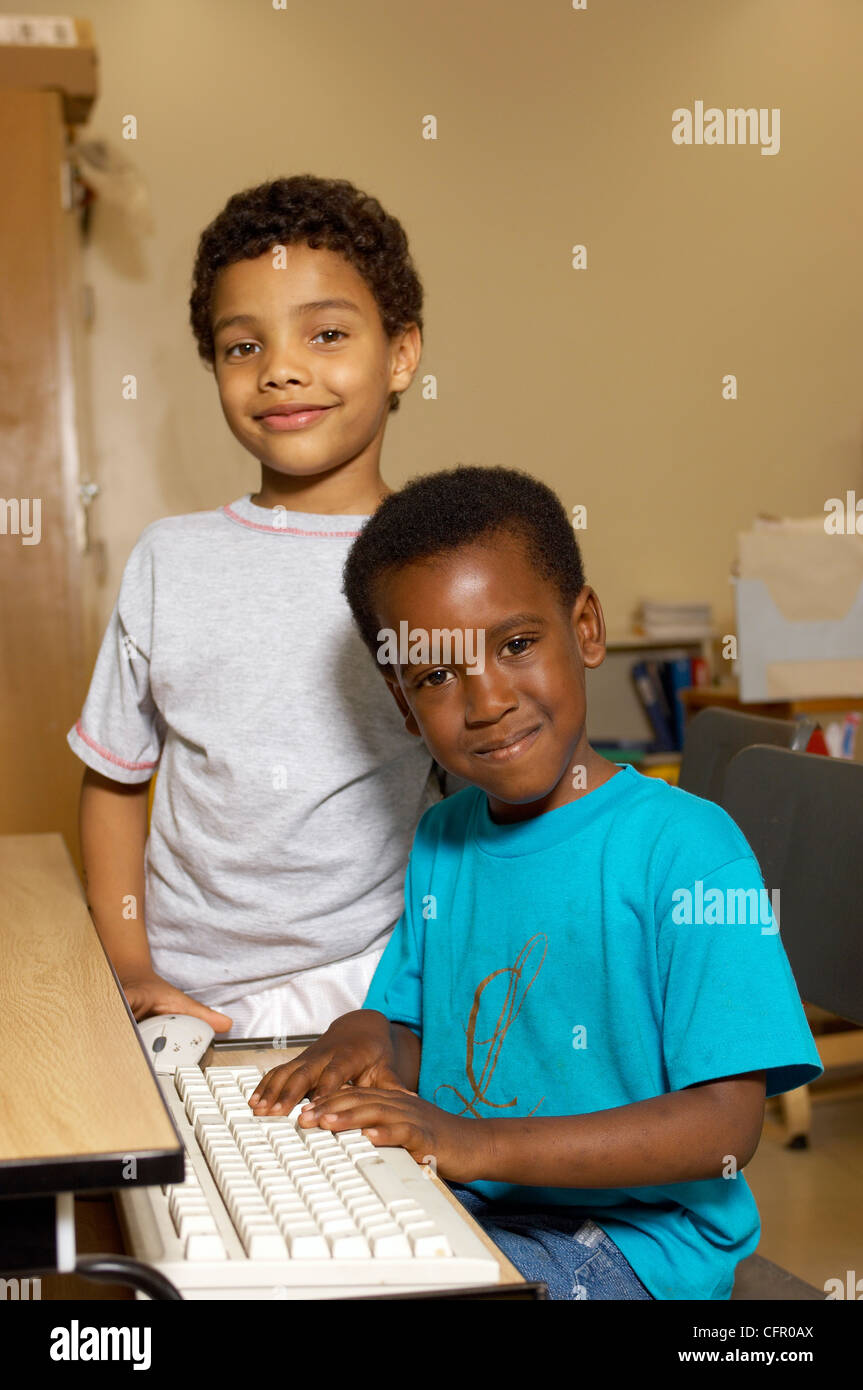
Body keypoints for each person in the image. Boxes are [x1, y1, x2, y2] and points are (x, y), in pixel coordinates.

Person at [248, 464, 823, 1300]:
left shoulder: (687, 851)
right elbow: (432, 1039)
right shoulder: (444, 837)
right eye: (437, 675)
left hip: (635, 1241)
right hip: (477, 1204)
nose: (485, 701)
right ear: (404, 704)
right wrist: (368, 1032)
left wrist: (470, 1143)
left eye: (515, 644)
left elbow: (722, 1129)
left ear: (583, 628)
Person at [68, 175, 439, 1039]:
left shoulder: (439, 566)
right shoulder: (172, 559)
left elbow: (484, 799)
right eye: (243, 347)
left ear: (401, 354)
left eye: (327, 333)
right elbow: (116, 781)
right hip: (183, 994)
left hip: (371, 995)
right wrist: (129, 965)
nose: (280, 368)